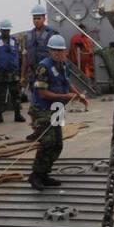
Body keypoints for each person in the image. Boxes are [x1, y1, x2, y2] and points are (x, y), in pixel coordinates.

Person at [28, 34, 88, 190]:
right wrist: (65, 96)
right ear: (49, 51)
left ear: (65, 52)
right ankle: (35, 176)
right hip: (42, 110)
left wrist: (78, 95)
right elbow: (42, 93)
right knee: (47, 143)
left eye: (60, 51)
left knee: (57, 144)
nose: (57, 53)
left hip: (57, 109)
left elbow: (66, 82)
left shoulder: (64, 65)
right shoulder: (43, 67)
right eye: (54, 50)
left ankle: (44, 174)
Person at [19, 5, 58, 117]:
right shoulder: (28, 35)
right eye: (34, 18)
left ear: (44, 18)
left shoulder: (52, 33)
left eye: (38, 18)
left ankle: (55, 127)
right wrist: (23, 75)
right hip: (34, 74)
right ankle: (38, 127)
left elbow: (59, 54)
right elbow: (25, 57)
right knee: (35, 102)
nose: (36, 21)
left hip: (49, 73)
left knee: (52, 100)